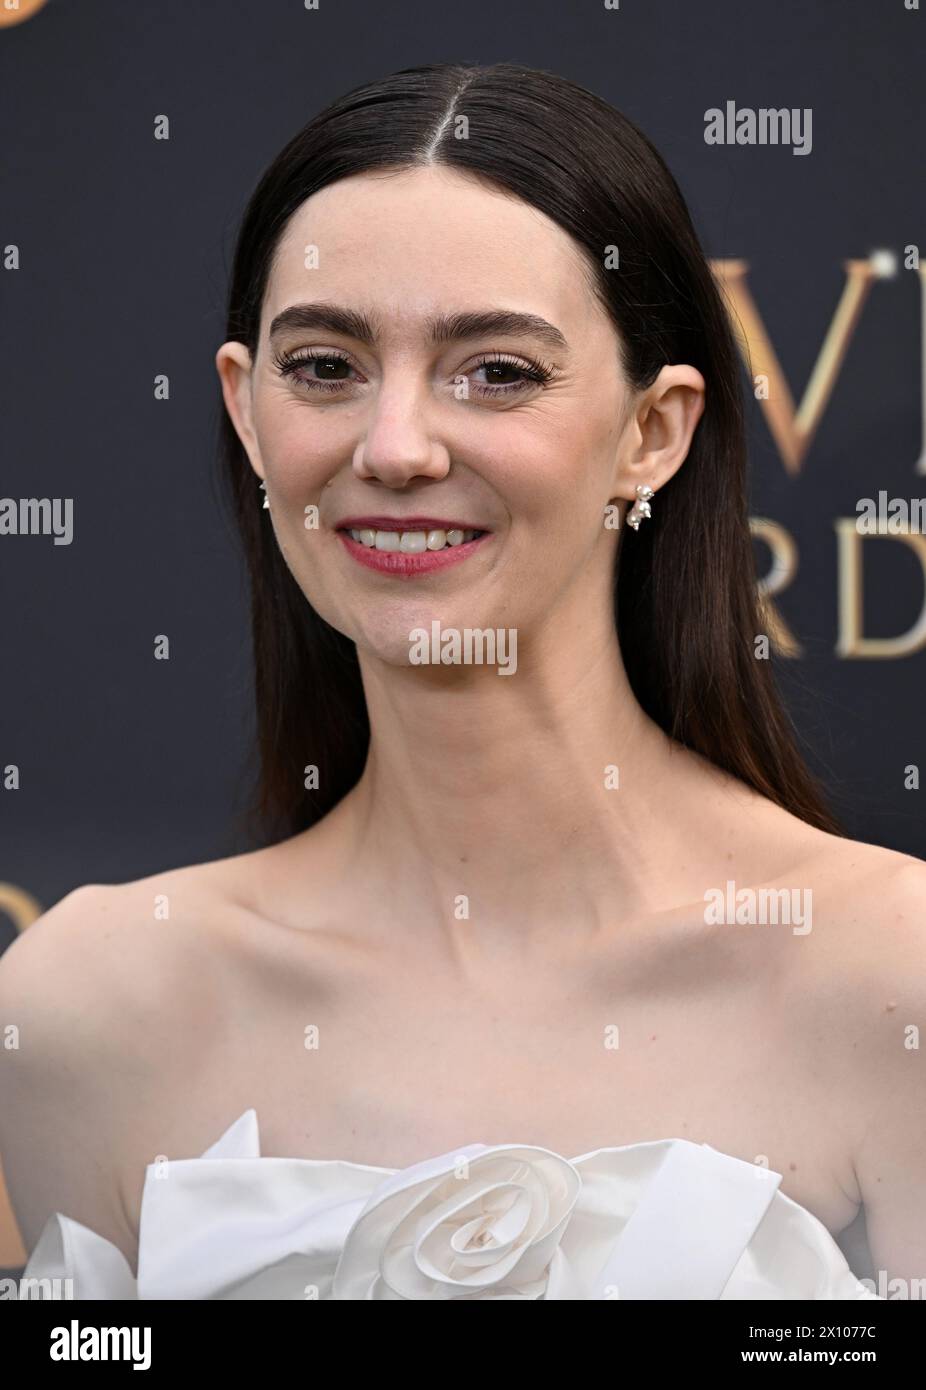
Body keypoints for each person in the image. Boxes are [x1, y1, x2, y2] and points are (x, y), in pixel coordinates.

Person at [1, 61, 923, 1300]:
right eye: (324, 366)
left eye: (495, 371)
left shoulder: (885, 979)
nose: (393, 448)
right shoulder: (89, 1005)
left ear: (649, 432)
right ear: (244, 408)